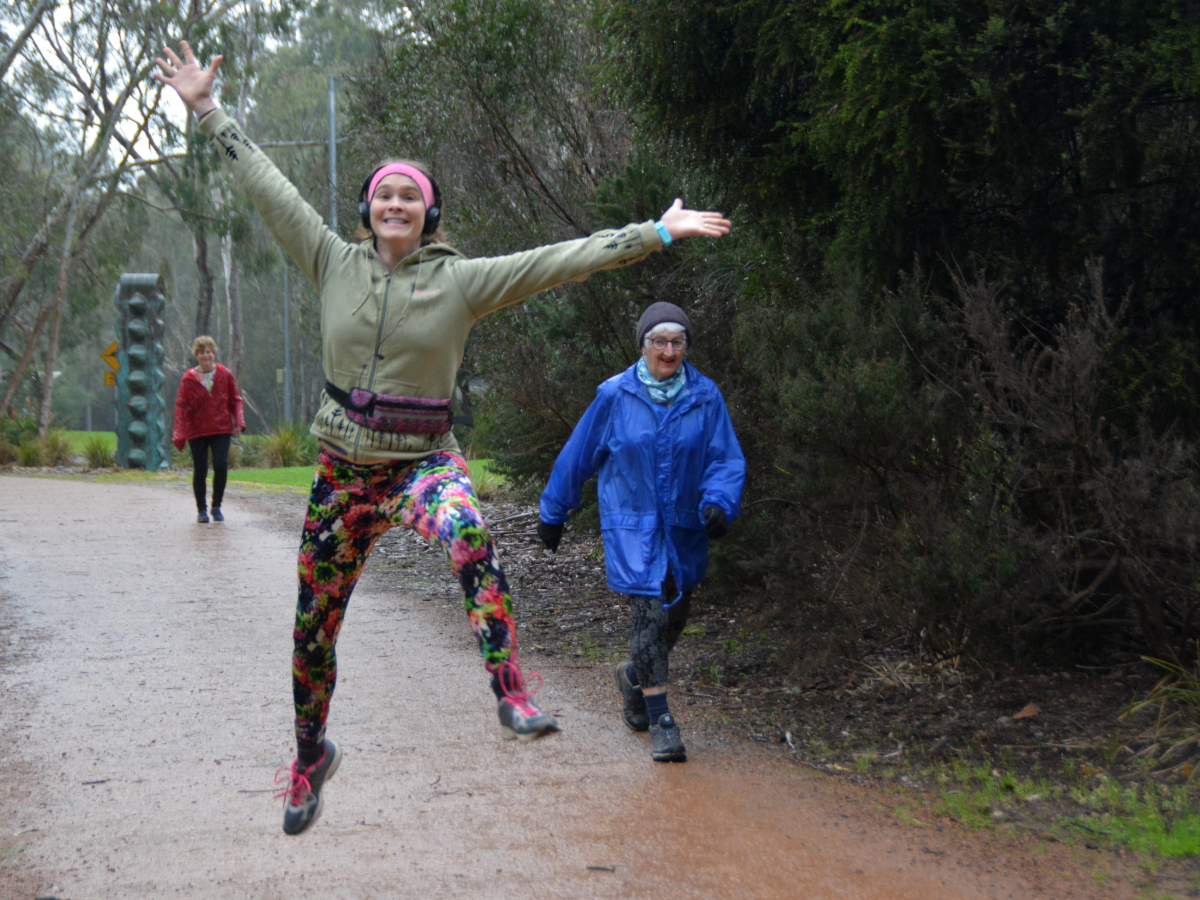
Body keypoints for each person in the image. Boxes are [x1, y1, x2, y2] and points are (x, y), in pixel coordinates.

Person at [153, 41, 731, 833]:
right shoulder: (329, 261)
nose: (395, 204)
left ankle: (512, 691)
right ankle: (309, 755)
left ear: (429, 212)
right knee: (312, 631)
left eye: (410, 196)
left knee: (467, 530)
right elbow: (267, 186)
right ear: (367, 210)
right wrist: (208, 110)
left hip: (423, 463)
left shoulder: (459, 281)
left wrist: (655, 235)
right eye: (383, 194)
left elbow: (559, 262)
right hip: (342, 475)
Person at [537, 302, 745, 763]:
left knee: (674, 619)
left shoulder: (705, 396)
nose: (668, 351)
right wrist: (553, 512)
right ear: (643, 344)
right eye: (659, 341)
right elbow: (578, 455)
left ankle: (634, 678)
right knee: (648, 616)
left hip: (684, 528)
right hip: (632, 527)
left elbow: (724, 460)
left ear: (685, 347)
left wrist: (719, 503)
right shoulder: (615, 396)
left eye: (677, 342)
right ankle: (662, 721)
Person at [172, 335, 246, 523]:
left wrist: (239, 420)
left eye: (209, 351)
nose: (206, 355)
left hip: (221, 428)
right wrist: (180, 432)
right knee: (200, 469)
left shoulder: (225, 374)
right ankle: (202, 510)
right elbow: (181, 405)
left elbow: (235, 399)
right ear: (196, 354)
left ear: (214, 352)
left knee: (221, 466)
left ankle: (216, 506)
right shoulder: (188, 379)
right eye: (202, 352)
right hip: (197, 431)